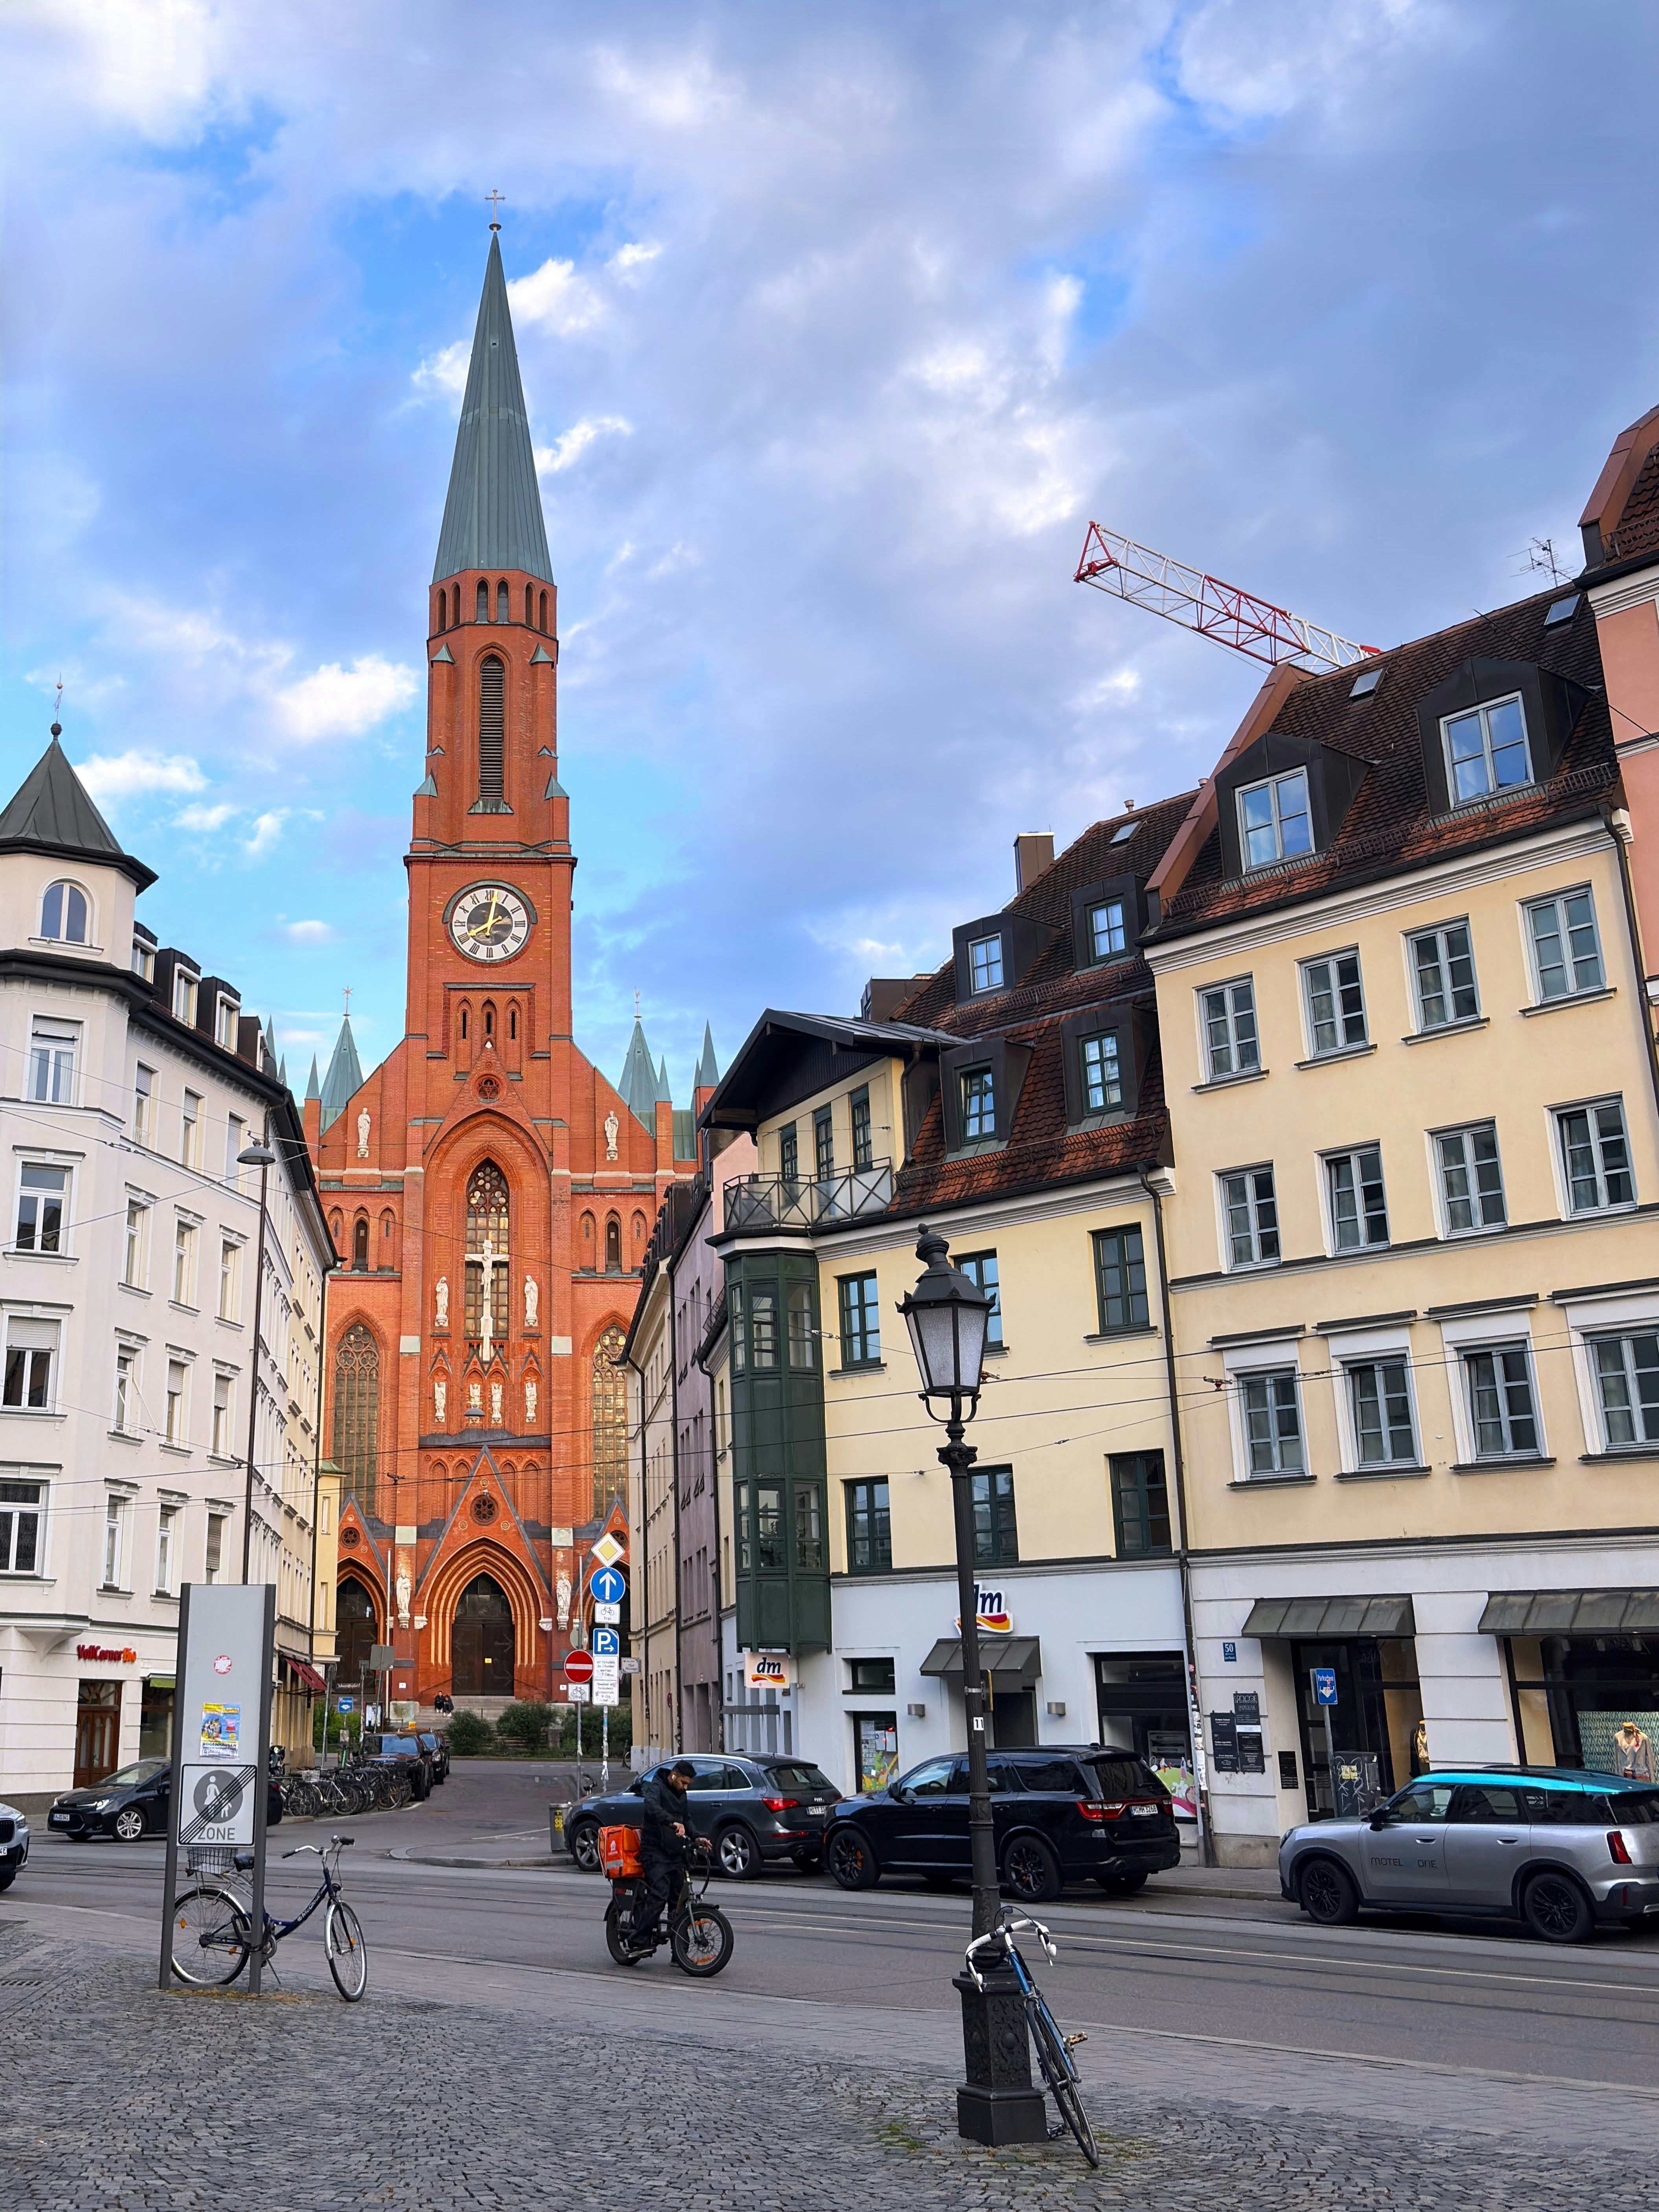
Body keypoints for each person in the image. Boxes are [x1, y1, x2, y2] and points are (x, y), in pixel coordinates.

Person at [633, 1759, 697, 1946]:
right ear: (674, 1775)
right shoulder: (657, 1787)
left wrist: (699, 1837)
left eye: (688, 1785)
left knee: (679, 1898)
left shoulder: (682, 1794)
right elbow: (651, 1806)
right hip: (654, 1851)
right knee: (660, 1893)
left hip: (674, 1851)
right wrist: (671, 1821)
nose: (685, 1788)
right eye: (683, 1783)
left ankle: (680, 1949)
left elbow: (687, 1819)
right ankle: (640, 1939)